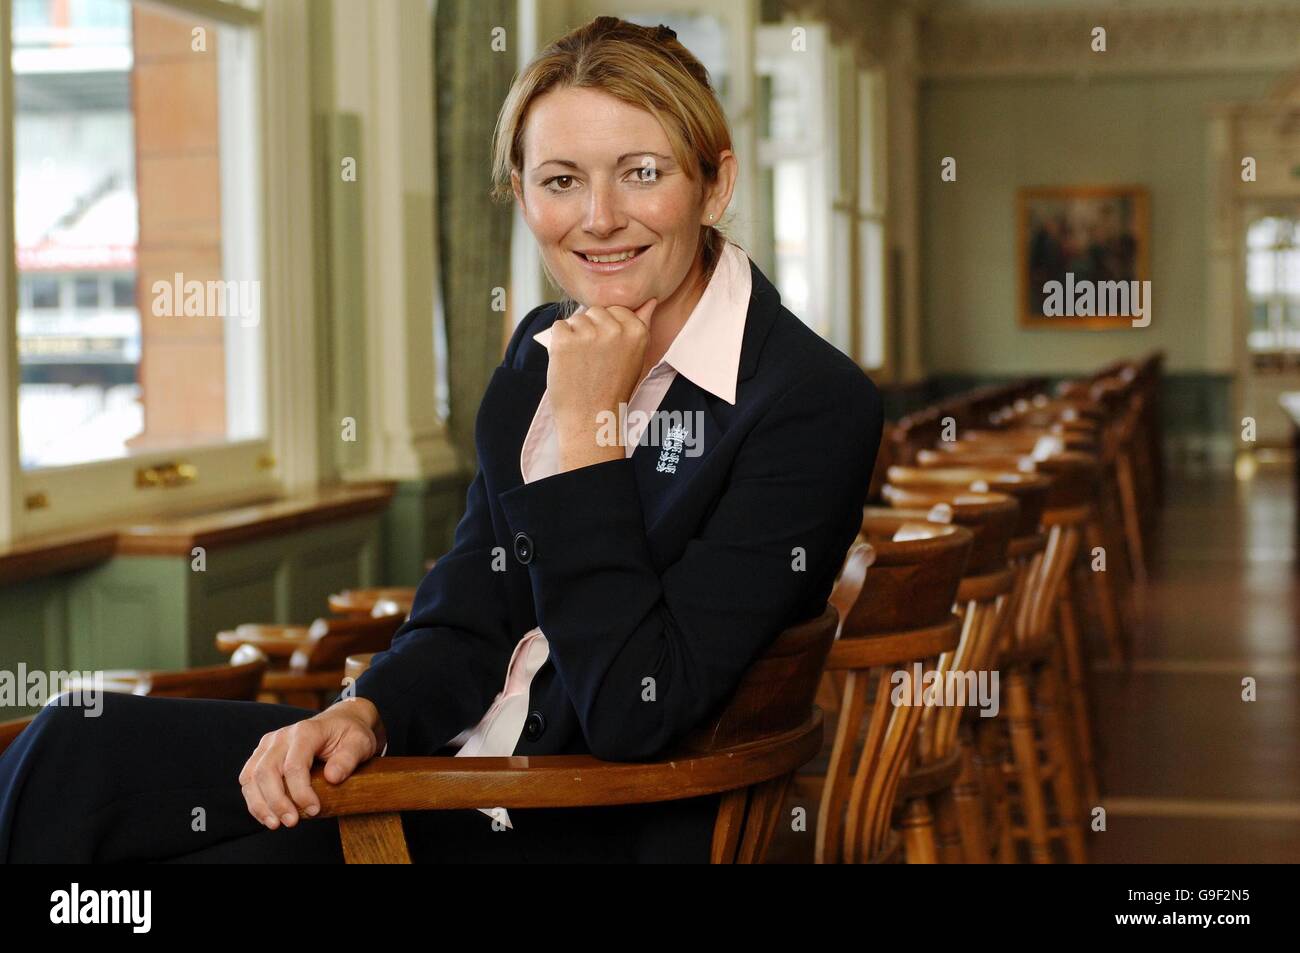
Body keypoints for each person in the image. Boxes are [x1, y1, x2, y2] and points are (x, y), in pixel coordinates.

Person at [0, 16, 881, 864]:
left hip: (574, 814)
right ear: (524, 195)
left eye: (642, 172)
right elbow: (469, 614)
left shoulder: (810, 403)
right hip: (448, 766)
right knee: (73, 741)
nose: (599, 217)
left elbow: (635, 710)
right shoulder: (542, 348)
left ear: (714, 184)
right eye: (561, 180)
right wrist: (367, 712)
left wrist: (585, 431)